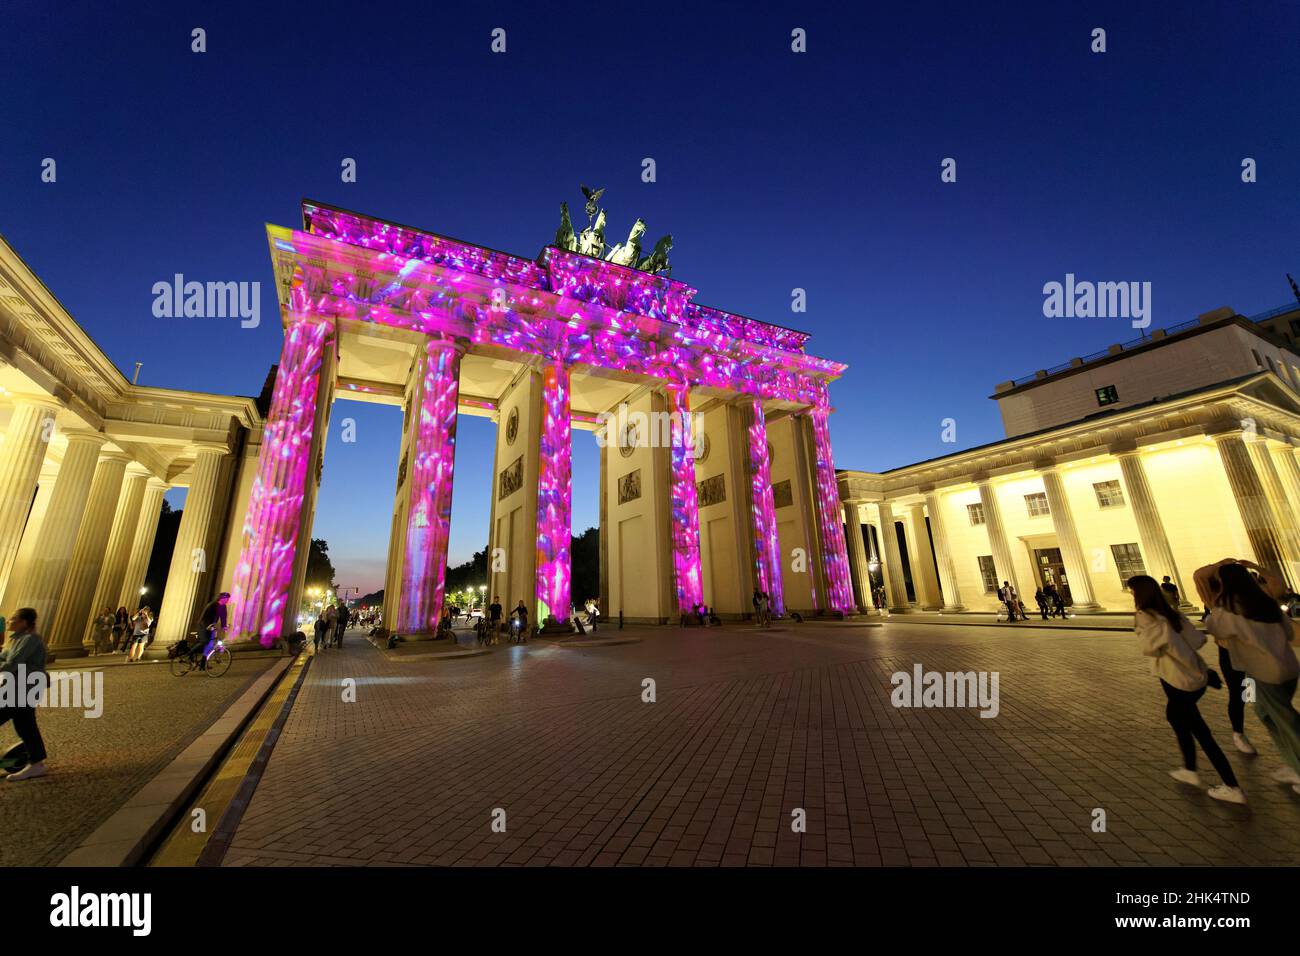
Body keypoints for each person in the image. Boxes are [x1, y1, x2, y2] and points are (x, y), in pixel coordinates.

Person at [1129, 575, 1245, 803]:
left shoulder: (1145, 617)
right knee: (1175, 717)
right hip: (1196, 676)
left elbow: (1148, 648)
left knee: (1200, 731)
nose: (1131, 595)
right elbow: (1199, 640)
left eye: (1132, 591)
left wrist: (1155, 634)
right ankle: (1190, 769)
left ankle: (1232, 786)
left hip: (1177, 680)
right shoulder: (1172, 614)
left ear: (1140, 594)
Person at [1199, 559, 1300, 790]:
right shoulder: (1266, 604)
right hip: (1287, 669)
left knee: (1286, 721)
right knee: (1264, 712)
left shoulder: (1228, 611)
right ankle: (1293, 763)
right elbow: (1288, 632)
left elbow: (1214, 629)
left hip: (1261, 674)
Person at [0, 608, 49, 781]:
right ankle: (36, 763)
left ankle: (36, 763)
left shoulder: (29, 640)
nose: (9, 621)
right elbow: (4, 658)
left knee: (25, 724)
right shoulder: (18, 639)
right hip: (18, 687)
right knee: (25, 725)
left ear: (24, 622)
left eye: (13, 618)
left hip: (23, 687)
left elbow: (13, 663)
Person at [193, 592, 230, 670]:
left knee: (210, 645)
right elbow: (205, 616)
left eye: (228, 599)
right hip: (204, 624)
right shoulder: (212, 605)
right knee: (204, 642)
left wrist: (224, 627)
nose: (227, 600)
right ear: (221, 598)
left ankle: (202, 665)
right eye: (226, 598)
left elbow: (223, 617)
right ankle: (189, 655)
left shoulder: (223, 607)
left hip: (212, 625)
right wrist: (208, 626)